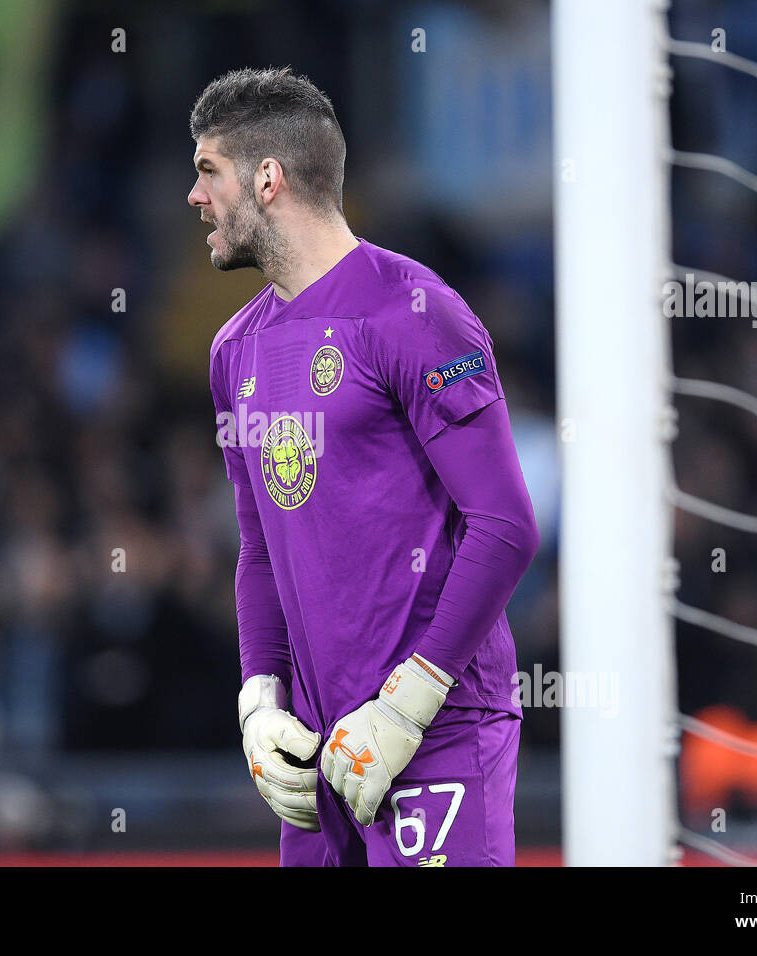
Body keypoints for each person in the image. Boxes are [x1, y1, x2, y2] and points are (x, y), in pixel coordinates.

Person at [189, 67, 539, 866]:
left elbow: (506, 526)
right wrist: (260, 699)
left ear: (267, 179)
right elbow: (258, 550)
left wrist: (407, 708)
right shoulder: (234, 349)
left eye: (209, 170)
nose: (195, 195)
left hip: (438, 730)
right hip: (321, 753)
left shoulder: (412, 312)